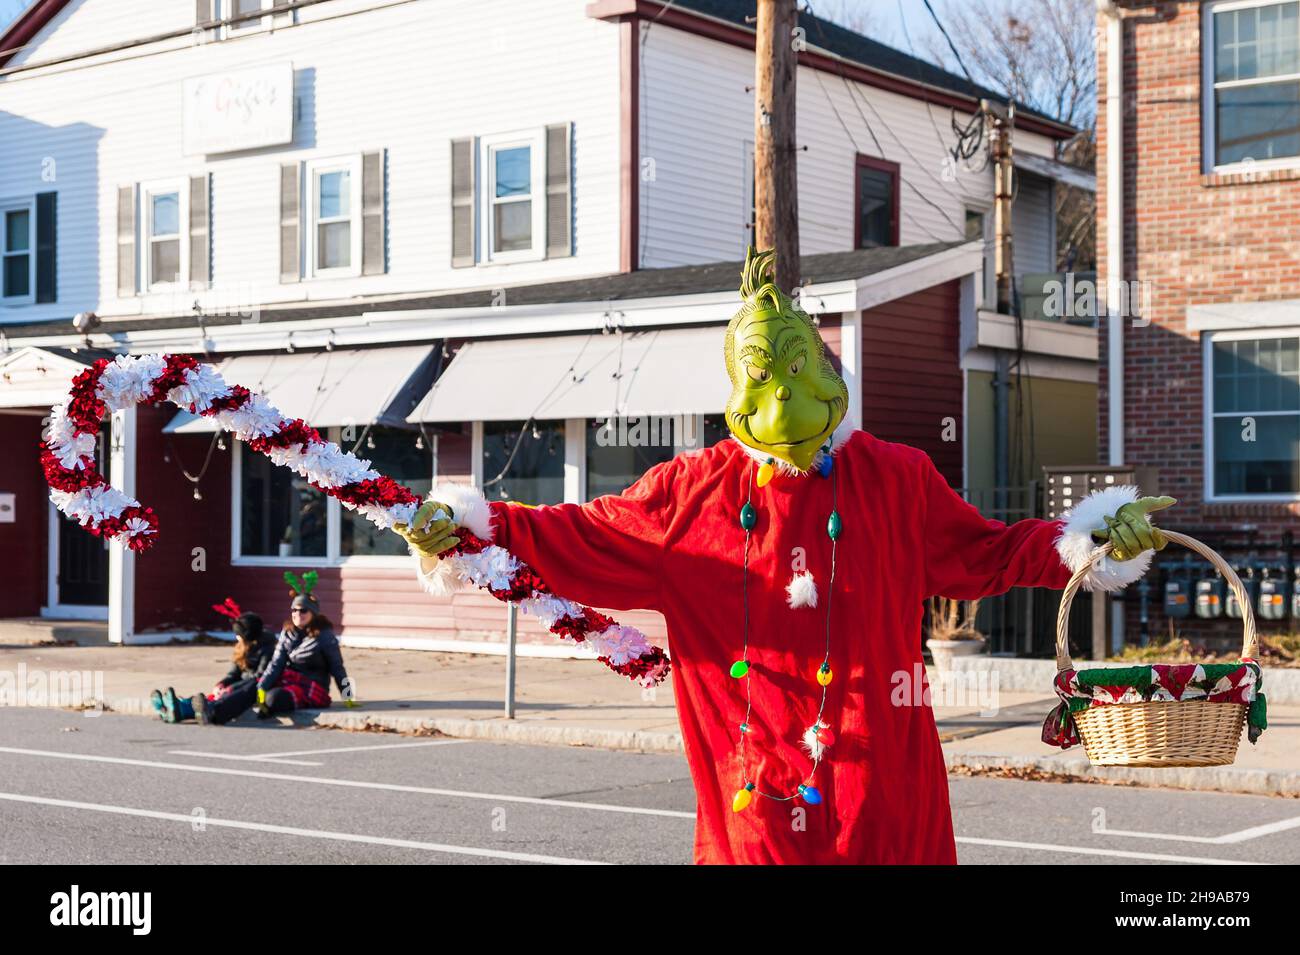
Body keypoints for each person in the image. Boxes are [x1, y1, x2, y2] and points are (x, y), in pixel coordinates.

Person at [396, 247, 1174, 865]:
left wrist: (1090, 540)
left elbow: (992, 553)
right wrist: (470, 526)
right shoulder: (687, 493)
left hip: (889, 814)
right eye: (763, 377)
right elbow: (571, 534)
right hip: (757, 818)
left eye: (801, 370)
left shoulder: (897, 479)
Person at [240, 571, 358, 721]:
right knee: (250, 688)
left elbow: (338, 668)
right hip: (287, 680)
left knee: (275, 698)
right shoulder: (288, 632)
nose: (298, 613)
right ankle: (213, 709)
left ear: (313, 613)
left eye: (303, 610)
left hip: (312, 686)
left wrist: (347, 696)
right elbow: (276, 664)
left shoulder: (324, 636)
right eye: (294, 609)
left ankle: (267, 708)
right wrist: (262, 686)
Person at [151, 598, 274, 724]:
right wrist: (222, 684)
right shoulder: (241, 647)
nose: (237, 638)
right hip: (239, 685)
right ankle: (177, 707)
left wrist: (231, 688)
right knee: (214, 695)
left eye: (239, 635)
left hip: (251, 688)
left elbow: (259, 677)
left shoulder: (267, 649)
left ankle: (183, 710)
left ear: (248, 636)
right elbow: (234, 673)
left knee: (222, 699)